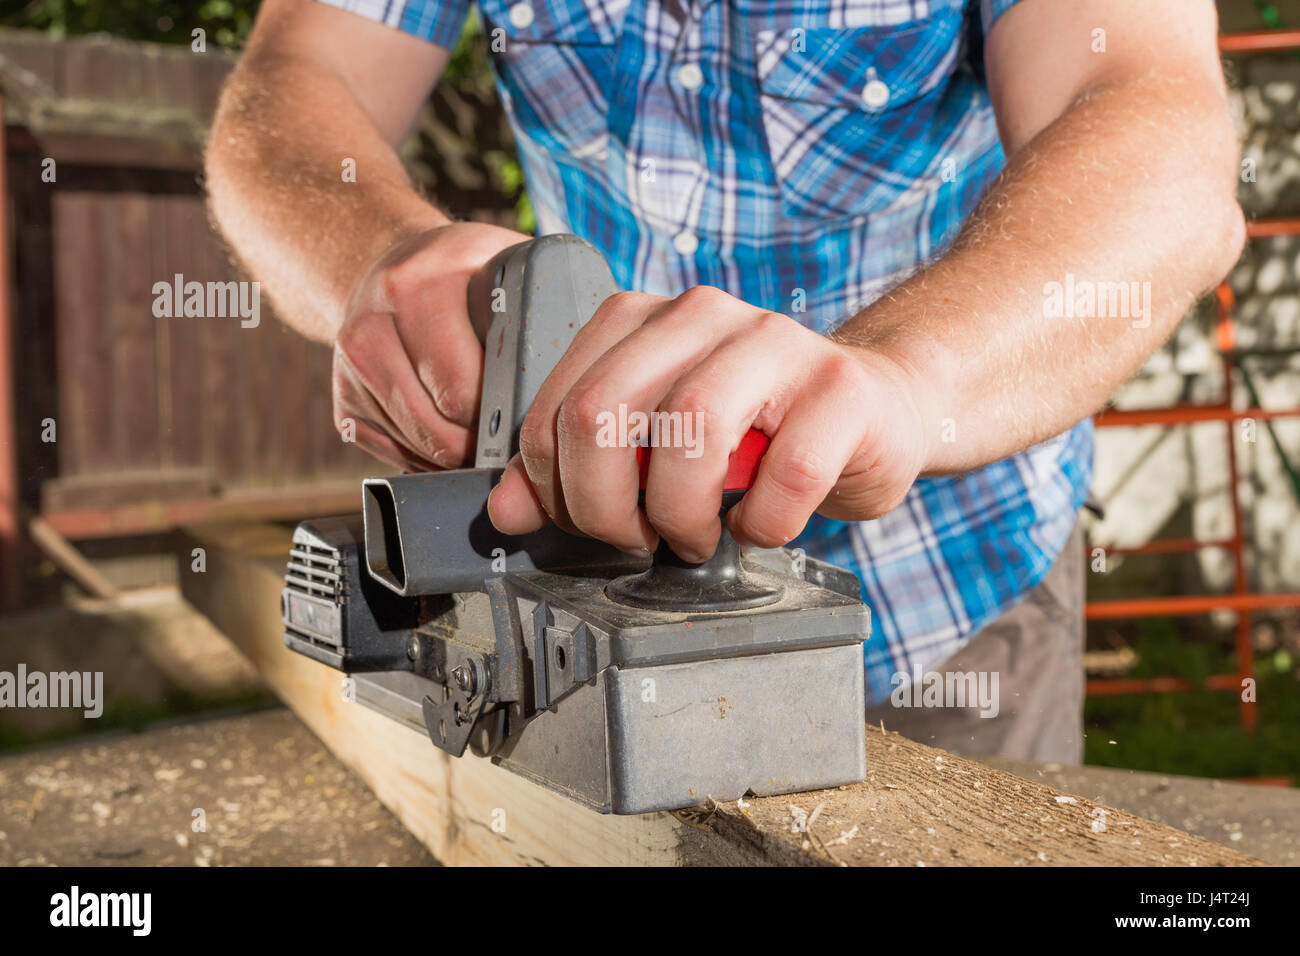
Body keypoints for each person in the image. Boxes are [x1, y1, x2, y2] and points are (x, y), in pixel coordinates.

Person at [206, 0, 1245, 763]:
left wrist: (900, 375)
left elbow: (1149, 121)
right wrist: (378, 248)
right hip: (591, 596)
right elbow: (301, 71)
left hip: (950, 587)